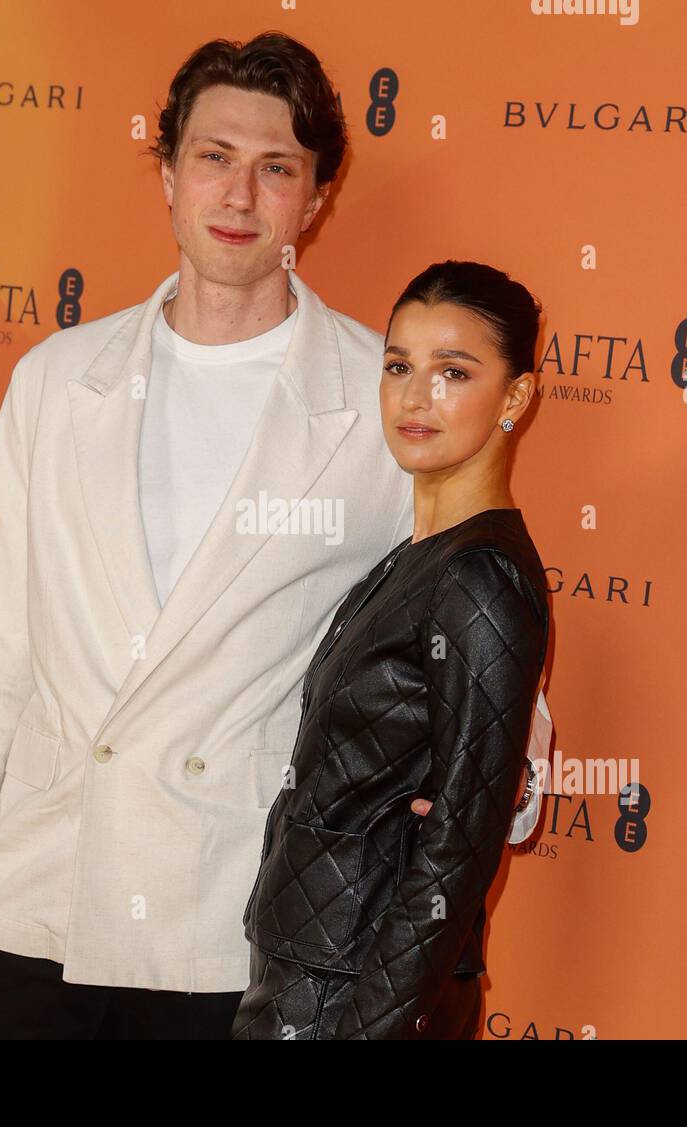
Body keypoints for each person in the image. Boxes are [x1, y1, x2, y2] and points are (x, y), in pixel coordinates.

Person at [0, 32, 549, 1040]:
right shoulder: (57, 380)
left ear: (316, 198)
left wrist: (499, 787)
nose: (240, 196)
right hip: (36, 892)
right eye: (213, 157)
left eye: (276, 168)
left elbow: (469, 604)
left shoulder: (384, 398)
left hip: (228, 920)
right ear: (167, 174)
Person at [233, 260, 550, 1040]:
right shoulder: (414, 560)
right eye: (399, 366)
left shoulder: (480, 577)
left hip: (354, 998)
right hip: (311, 971)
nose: (415, 397)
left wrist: (372, 1027)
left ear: (515, 398)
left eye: (454, 373)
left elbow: (461, 840)